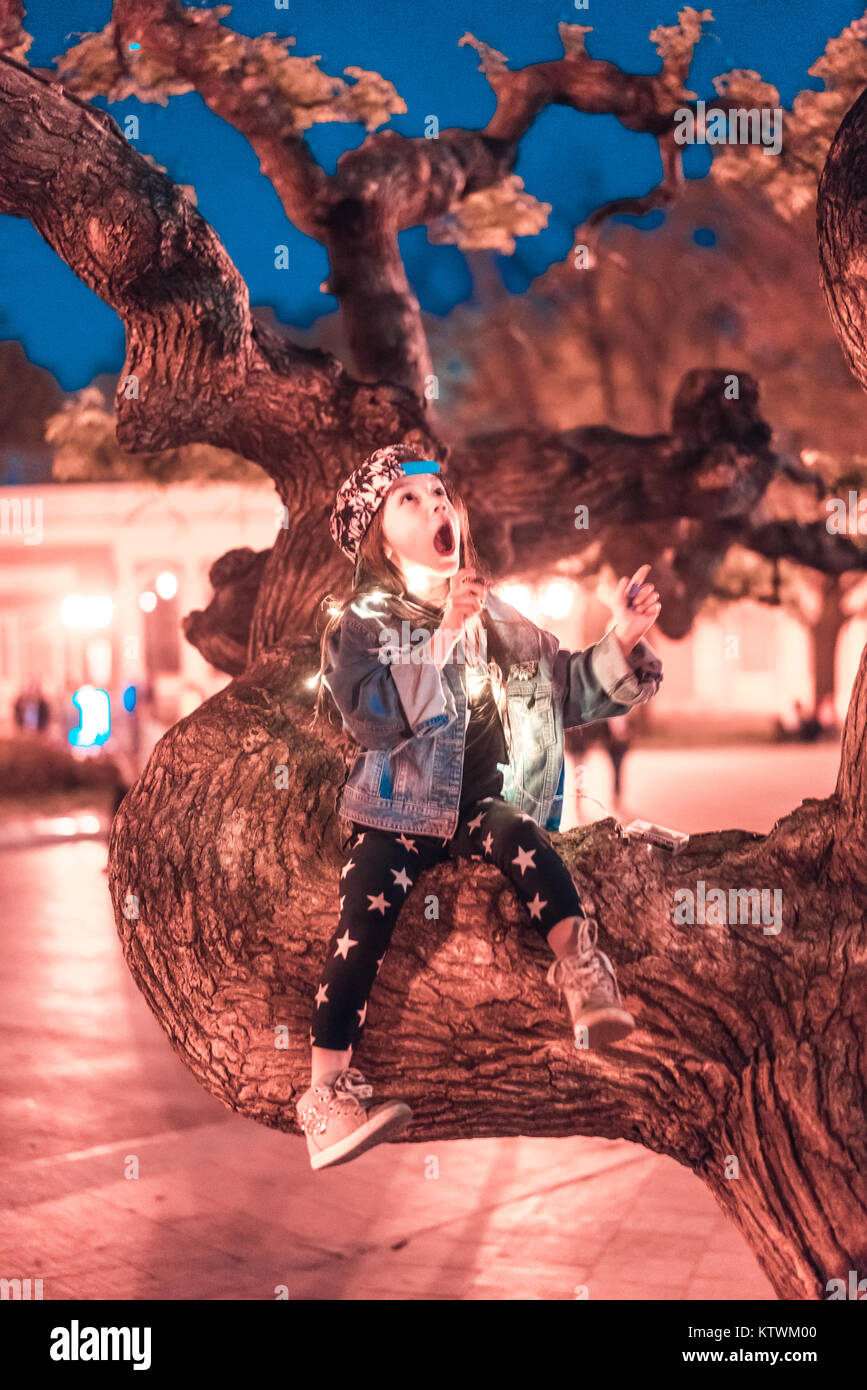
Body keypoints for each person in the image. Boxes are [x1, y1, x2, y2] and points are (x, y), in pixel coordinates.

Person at [297, 443, 664, 1170]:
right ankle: (325, 1094)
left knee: (529, 842)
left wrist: (619, 641)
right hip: (398, 813)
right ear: (376, 536)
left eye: (440, 497)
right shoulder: (365, 623)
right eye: (409, 500)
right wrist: (437, 639)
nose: (436, 507)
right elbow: (368, 717)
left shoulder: (497, 614)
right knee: (359, 926)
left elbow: (561, 687)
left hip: (486, 805)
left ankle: (585, 981)